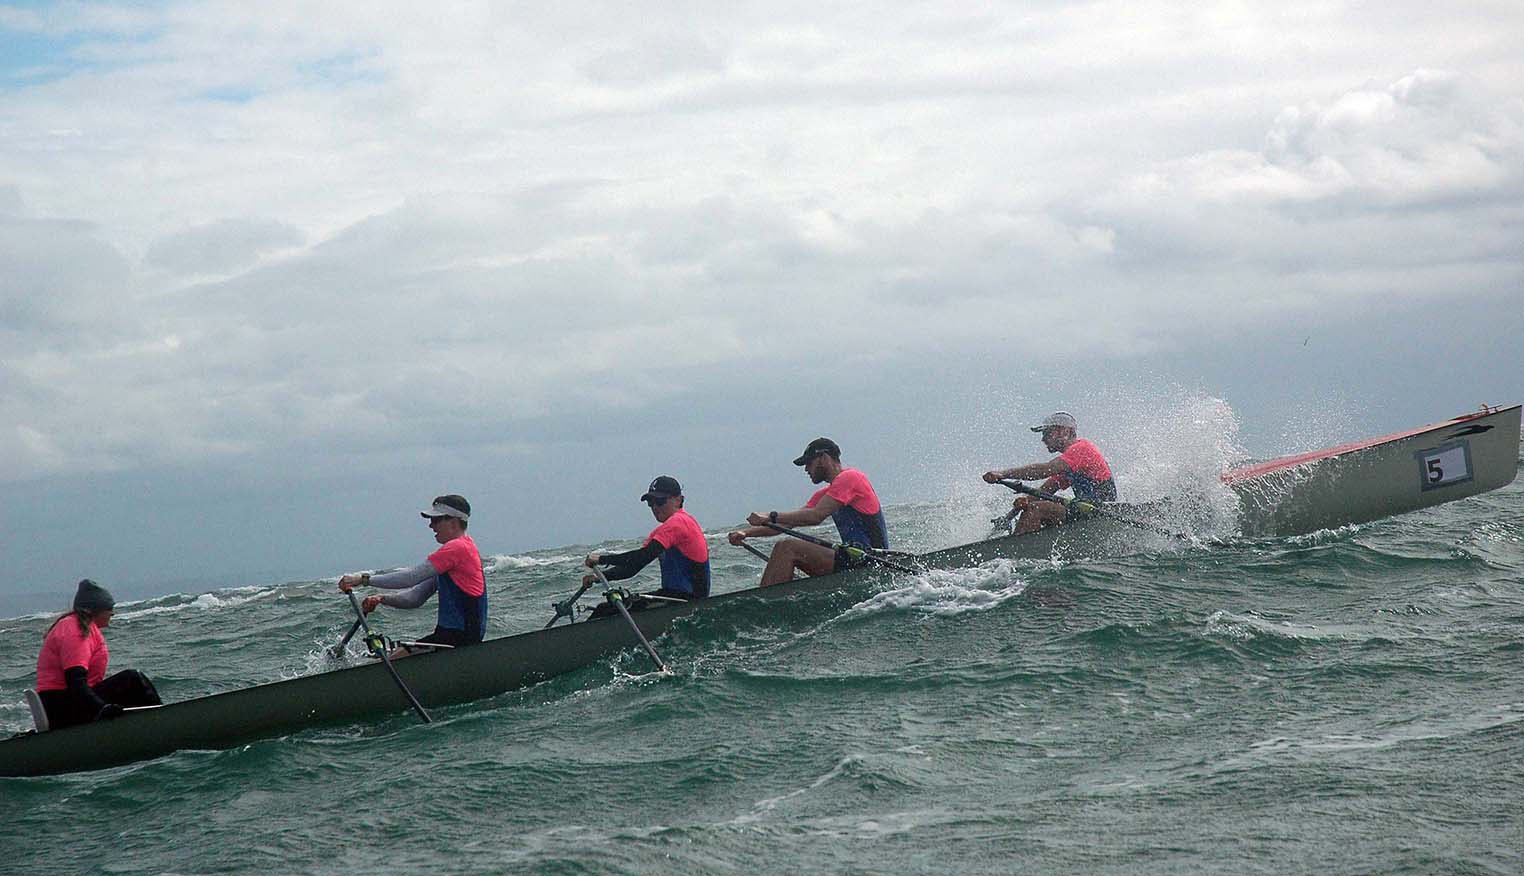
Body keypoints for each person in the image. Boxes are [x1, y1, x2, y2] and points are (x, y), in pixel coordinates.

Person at [338, 494, 486, 656]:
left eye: (435, 520)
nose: (431, 525)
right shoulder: (460, 552)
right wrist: (382, 598)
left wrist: (363, 579)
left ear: (453, 522)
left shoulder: (458, 548)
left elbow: (411, 577)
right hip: (451, 637)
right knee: (385, 655)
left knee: (396, 657)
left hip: (459, 639)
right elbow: (414, 598)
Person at [728, 437, 889, 586]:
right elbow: (788, 523)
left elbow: (815, 516)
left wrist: (771, 515)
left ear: (825, 458)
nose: (806, 469)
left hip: (871, 561)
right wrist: (746, 533)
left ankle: (765, 604)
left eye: (809, 463)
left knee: (786, 548)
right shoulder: (826, 494)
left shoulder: (851, 477)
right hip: (852, 559)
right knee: (785, 547)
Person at [34, 579, 161, 729]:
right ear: (91, 610)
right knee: (133, 679)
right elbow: (75, 682)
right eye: (108, 608)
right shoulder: (75, 630)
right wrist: (101, 707)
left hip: (67, 703)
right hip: (61, 708)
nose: (112, 613)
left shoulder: (79, 625)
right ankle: (164, 722)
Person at [982, 411, 1117, 534]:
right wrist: (1010, 515)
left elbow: (1044, 470)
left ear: (1065, 431)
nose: (1043, 439)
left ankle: (1016, 552)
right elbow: (1045, 492)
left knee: (1035, 509)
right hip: (1084, 511)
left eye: (1047, 433)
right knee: (1032, 505)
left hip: (1100, 513)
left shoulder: (1081, 449)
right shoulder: (1068, 464)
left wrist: (1003, 474)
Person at [583, 476, 711, 602]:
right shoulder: (661, 531)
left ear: (678, 500)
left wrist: (601, 559)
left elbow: (641, 557)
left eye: (660, 501)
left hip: (689, 600)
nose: (655, 507)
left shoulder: (679, 522)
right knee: (607, 609)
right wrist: (598, 577)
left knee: (606, 611)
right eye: (651, 502)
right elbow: (633, 566)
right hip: (674, 597)